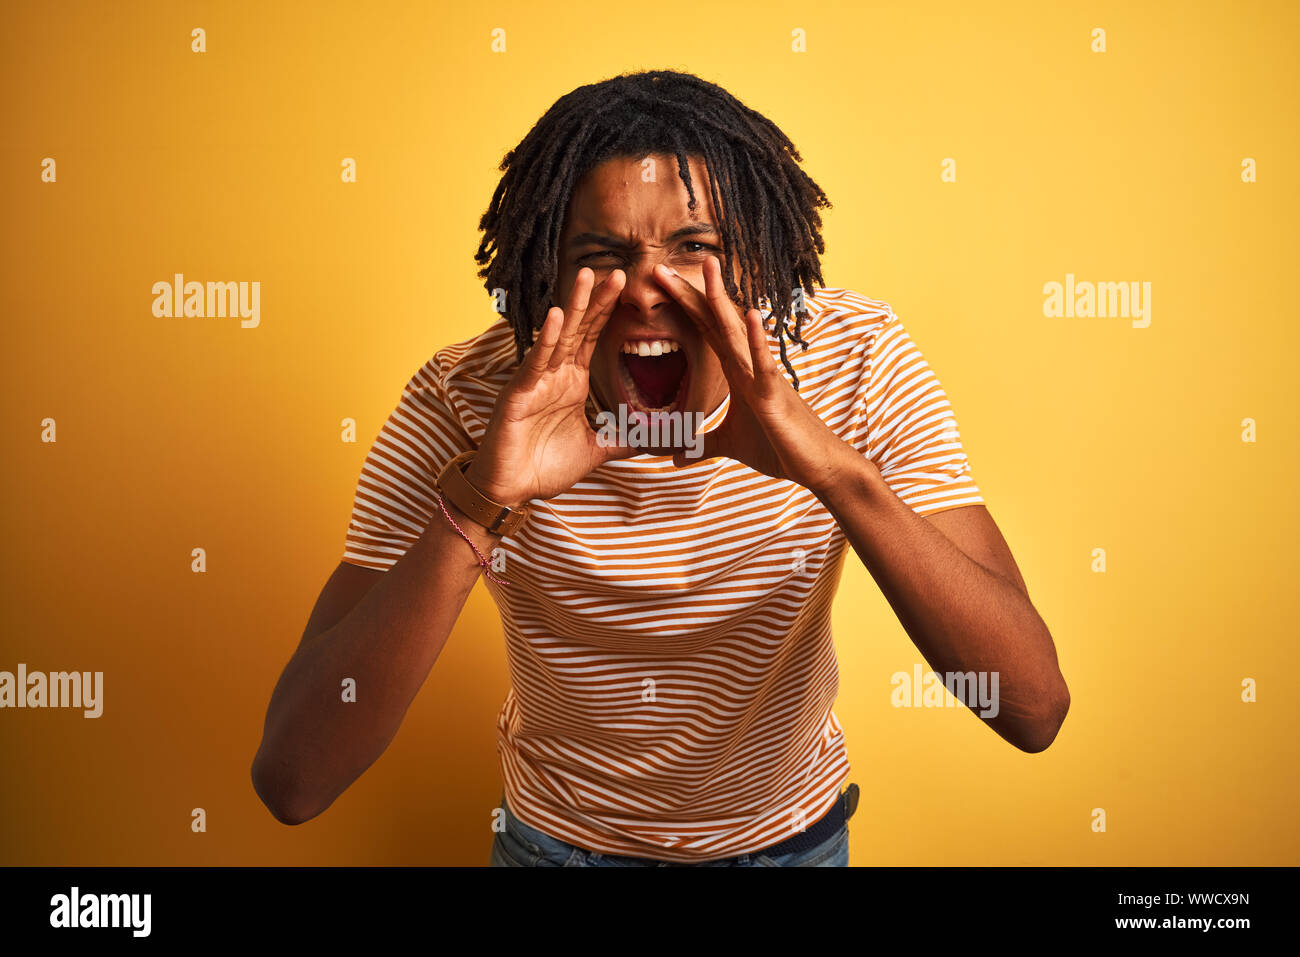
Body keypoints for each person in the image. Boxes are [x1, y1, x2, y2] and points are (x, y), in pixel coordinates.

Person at [251, 69, 1070, 867]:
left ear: (761, 262)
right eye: (603, 254)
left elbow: (1033, 707)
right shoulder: (468, 398)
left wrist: (831, 470)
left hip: (792, 842)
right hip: (554, 847)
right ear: (543, 274)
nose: (647, 289)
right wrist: (476, 506)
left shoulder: (853, 360)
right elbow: (293, 778)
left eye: (695, 247)